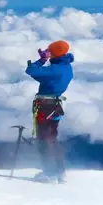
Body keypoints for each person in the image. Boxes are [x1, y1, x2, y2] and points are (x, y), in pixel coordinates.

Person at [25, 40, 74, 183]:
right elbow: (41, 75)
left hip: (45, 106)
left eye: (49, 50)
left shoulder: (54, 70)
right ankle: (59, 171)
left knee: (43, 139)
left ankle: (49, 173)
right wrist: (49, 59)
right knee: (52, 138)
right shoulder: (66, 67)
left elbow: (31, 71)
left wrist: (42, 60)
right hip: (55, 105)